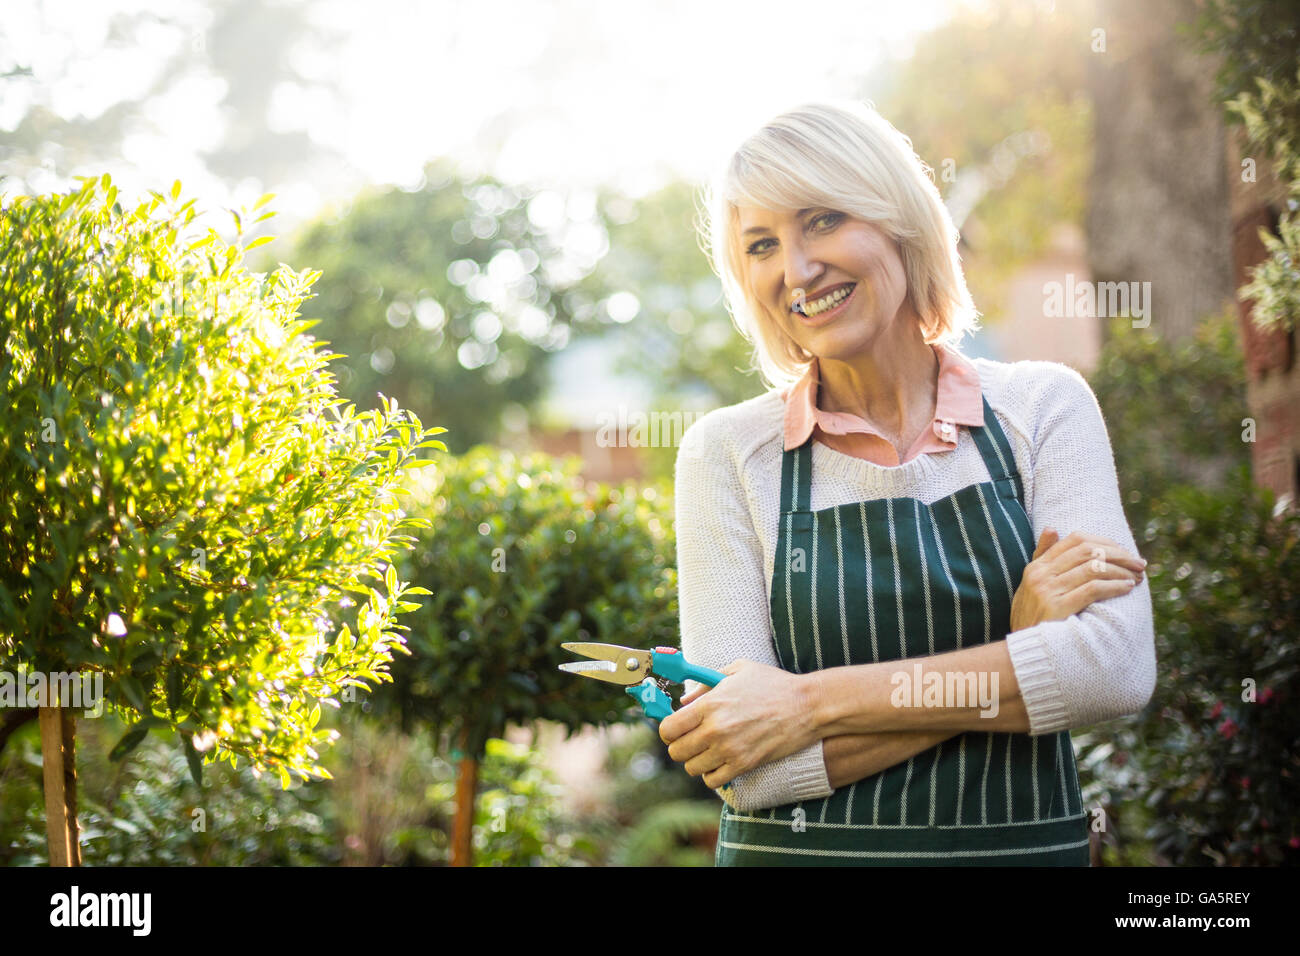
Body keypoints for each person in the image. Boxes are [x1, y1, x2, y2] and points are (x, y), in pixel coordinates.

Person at [659, 99, 1157, 866]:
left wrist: (806, 705)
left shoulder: (1043, 408)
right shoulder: (725, 455)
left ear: (900, 221)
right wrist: (1015, 650)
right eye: (762, 245)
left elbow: (1113, 669)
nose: (797, 269)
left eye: (823, 220)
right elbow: (751, 766)